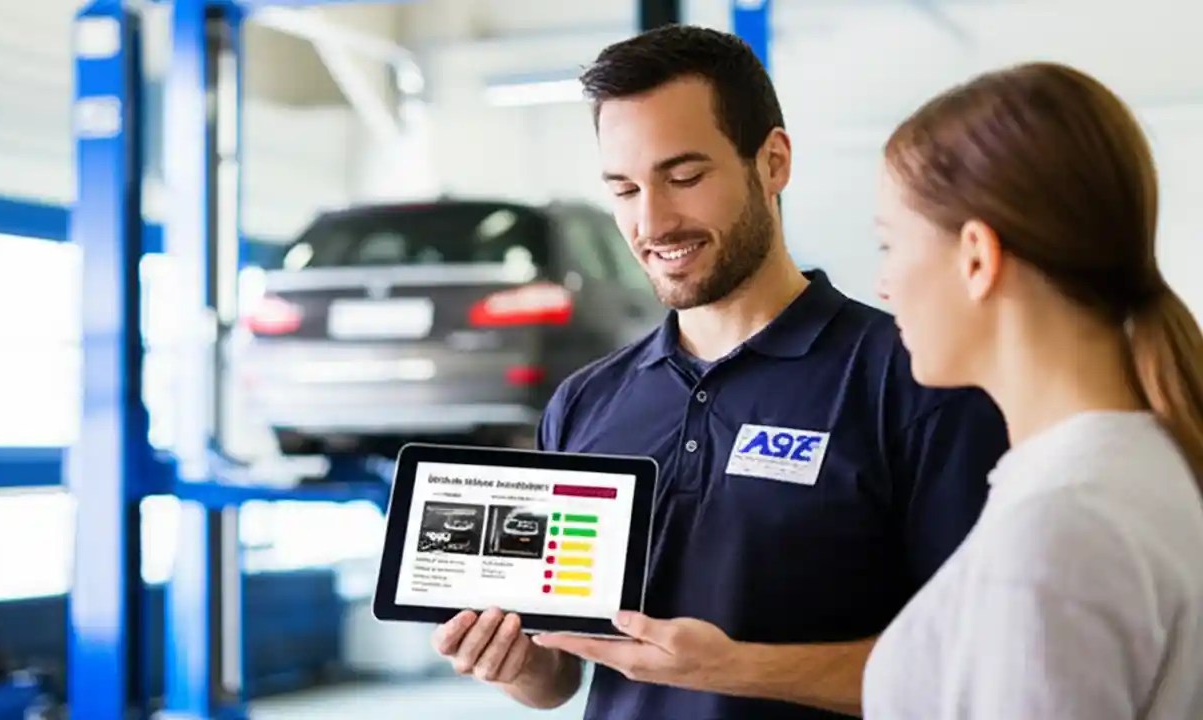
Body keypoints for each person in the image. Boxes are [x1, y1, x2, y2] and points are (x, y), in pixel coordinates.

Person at [431, 25, 1008, 719]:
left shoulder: (914, 379)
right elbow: (558, 676)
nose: (653, 222)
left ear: (773, 162)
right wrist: (519, 666)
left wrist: (739, 669)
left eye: (684, 177)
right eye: (624, 189)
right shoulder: (586, 403)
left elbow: (972, 667)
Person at [862, 62, 1203, 718]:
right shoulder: (1147, 465)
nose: (883, 284)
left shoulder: (1057, 532)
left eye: (889, 244)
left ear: (976, 258)